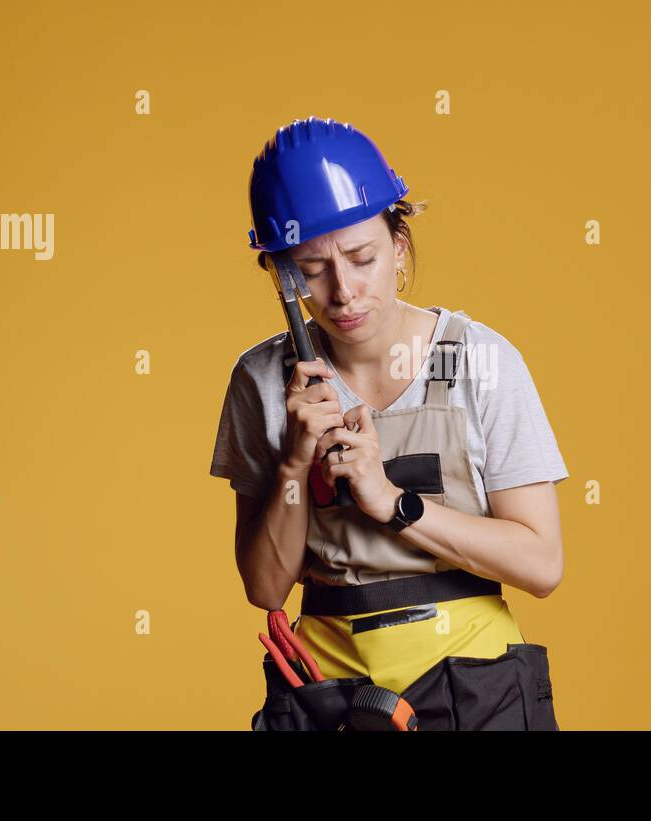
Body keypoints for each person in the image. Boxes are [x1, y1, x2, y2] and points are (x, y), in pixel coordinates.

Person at [210, 116, 568, 729]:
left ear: (399, 245)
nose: (344, 291)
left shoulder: (479, 362)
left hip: (477, 690)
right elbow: (267, 590)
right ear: (283, 275)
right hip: (332, 698)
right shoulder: (263, 381)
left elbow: (541, 565)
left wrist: (395, 503)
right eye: (313, 268)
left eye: (361, 257)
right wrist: (296, 462)